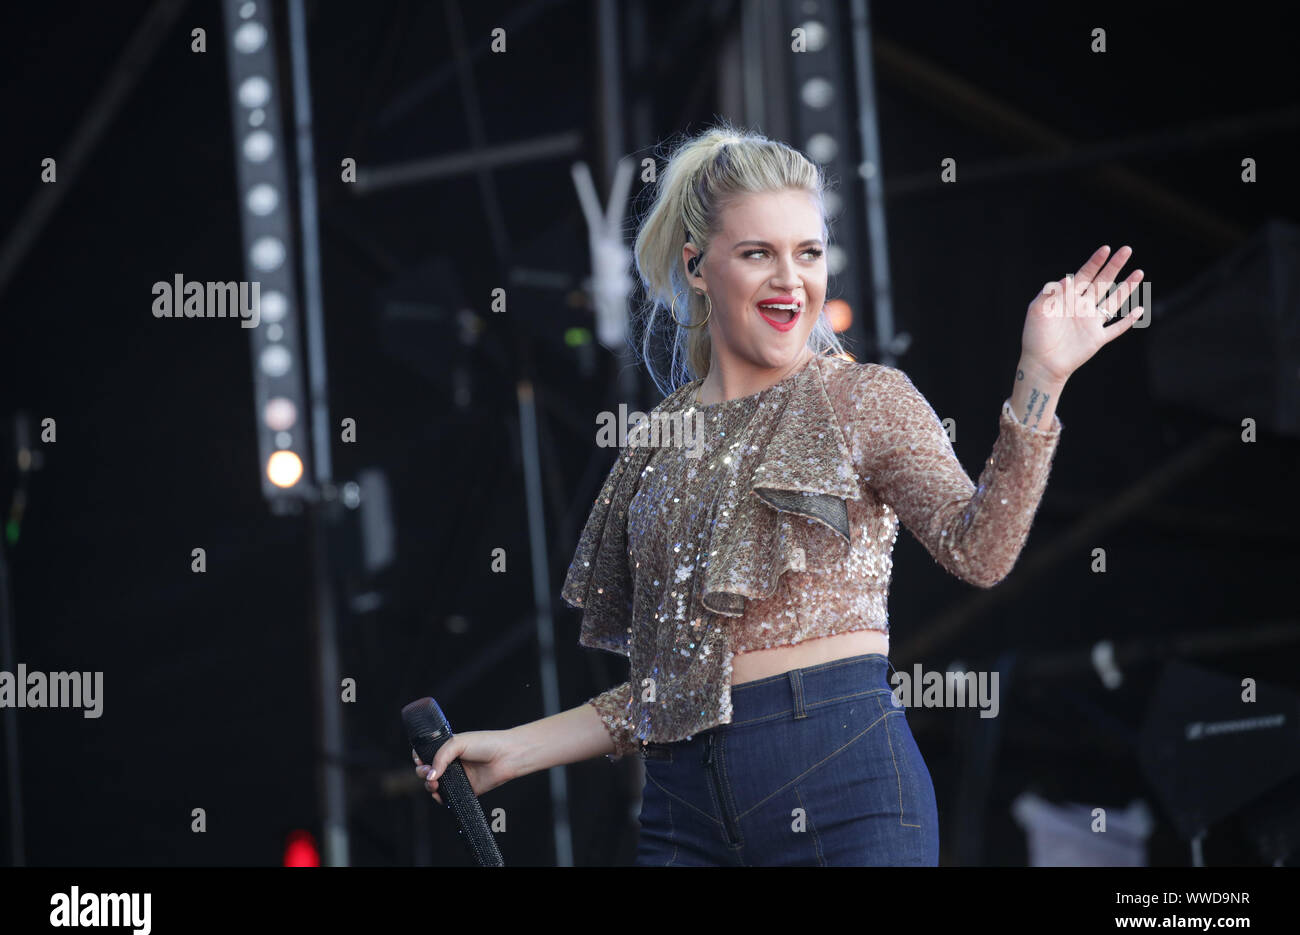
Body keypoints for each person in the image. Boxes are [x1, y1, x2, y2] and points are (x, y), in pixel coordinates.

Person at [412, 122, 1145, 865]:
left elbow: (979, 551)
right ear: (698, 267)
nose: (790, 280)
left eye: (809, 253)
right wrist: (515, 749)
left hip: (844, 785)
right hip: (680, 812)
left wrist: (1041, 379)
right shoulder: (660, 439)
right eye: (758, 253)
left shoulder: (863, 399)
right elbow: (666, 691)